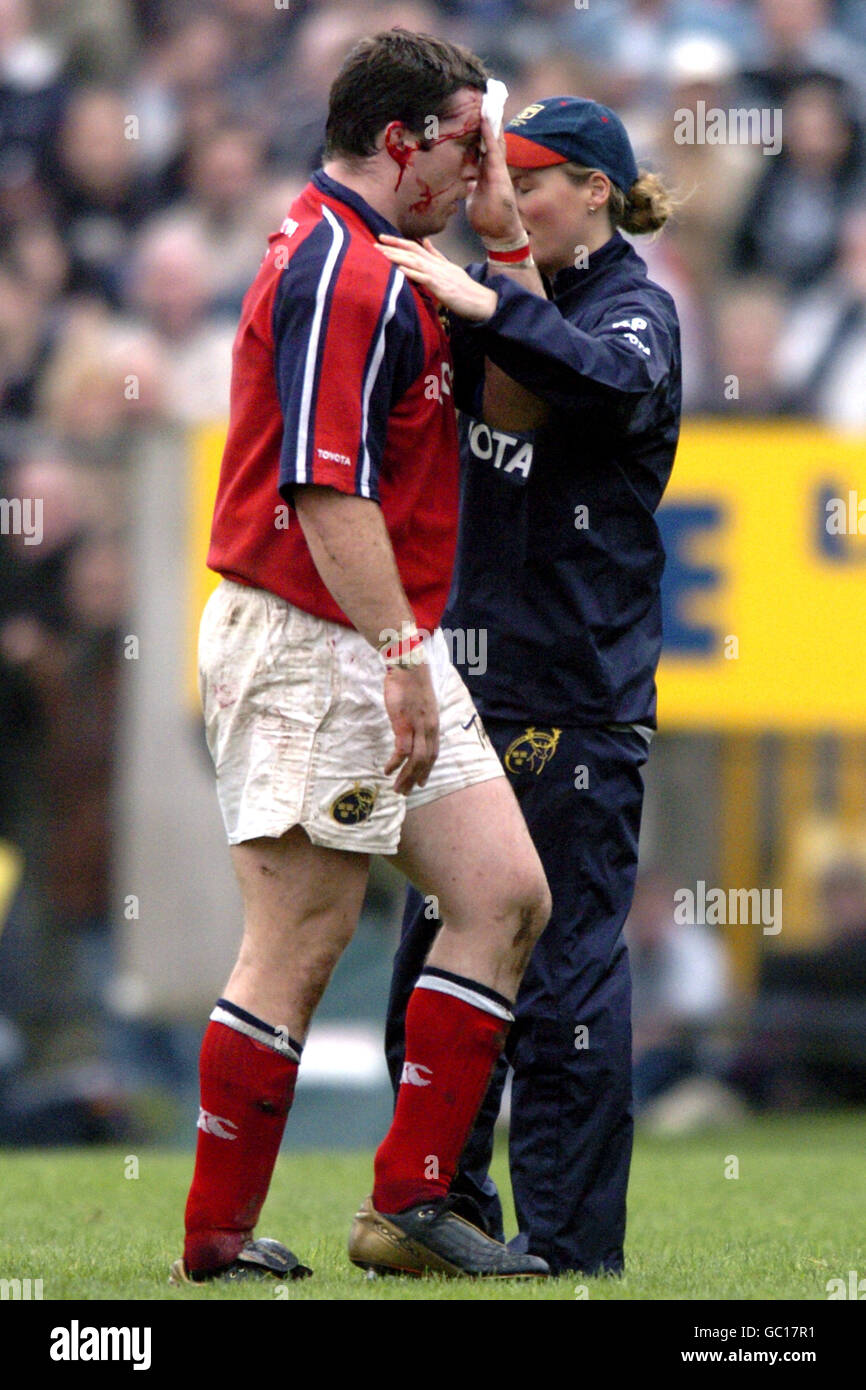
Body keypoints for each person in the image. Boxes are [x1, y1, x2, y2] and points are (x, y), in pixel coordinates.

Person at [170, 30, 552, 1285]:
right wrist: (395, 649)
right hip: (316, 627)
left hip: (376, 627)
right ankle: (215, 1241)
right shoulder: (343, 269)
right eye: (466, 140)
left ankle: (408, 1205)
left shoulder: (405, 256)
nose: (481, 159)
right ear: (405, 143)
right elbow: (322, 489)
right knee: (305, 932)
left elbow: (523, 407)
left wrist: (503, 244)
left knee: (502, 895)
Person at [379, 94, 682, 1275]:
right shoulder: (495, 299)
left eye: (532, 184)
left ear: (596, 193)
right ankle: (440, 1211)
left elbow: (604, 385)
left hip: (575, 700)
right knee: (438, 958)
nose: (504, 205)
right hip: (467, 687)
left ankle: (568, 1244)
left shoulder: (632, 311)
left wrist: (487, 291)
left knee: (561, 980)